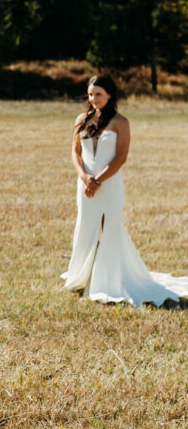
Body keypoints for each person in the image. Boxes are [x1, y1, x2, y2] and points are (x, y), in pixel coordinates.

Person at [63, 74, 188, 306]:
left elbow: (121, 157)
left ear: (110, 95)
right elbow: (76, 152)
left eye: (98, 94)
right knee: (86, 226)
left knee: (110, 227)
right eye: (90, 94)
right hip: (85, 184)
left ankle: (110, 279)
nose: (93, 99)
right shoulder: (81, 119)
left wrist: (97, 180)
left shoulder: (121, 122)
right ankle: (82, 276)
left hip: (108, 184)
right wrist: (84, 177)